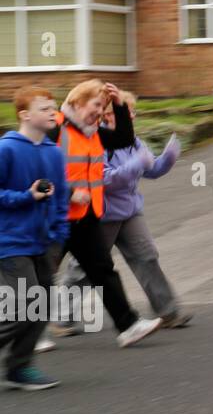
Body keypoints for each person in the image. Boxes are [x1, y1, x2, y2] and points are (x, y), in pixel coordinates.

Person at [49, 80, 161, 348]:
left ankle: (129, 326)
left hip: (84, 217)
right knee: (38, 272)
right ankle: (23, 334)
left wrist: (119, 105)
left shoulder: (92, 132)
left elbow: (123, 139)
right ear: (77, 102)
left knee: (102, 270)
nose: (100, 112)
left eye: (103, 107)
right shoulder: (54, 127)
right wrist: (67, 194)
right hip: (53, 215)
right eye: (96, 105)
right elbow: (35, 170)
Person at [98, 92, 191, 329]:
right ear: (108, 113)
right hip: (103, 215)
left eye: (133, 111)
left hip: (129, 212)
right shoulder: (97, 141)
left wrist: (168, 157)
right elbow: (105, 180)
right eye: (129, 110)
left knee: (147, 257)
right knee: (86, 269)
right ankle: (62, 316)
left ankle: (168, 312)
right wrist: (136, 164)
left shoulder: (132, 140)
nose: (133, 115)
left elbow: (151, 170)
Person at [0, 87, 69, 389]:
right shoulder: (7, 149)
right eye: (44, 108)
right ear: (24, 115)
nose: (52, 112)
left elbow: (62, 197)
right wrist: (25, 197)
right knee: (23, 307)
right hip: (10, 241)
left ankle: (19, 369)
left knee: (41, 307)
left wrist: (59, 236)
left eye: (53, 107)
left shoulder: (54, 152)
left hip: (44, 242)